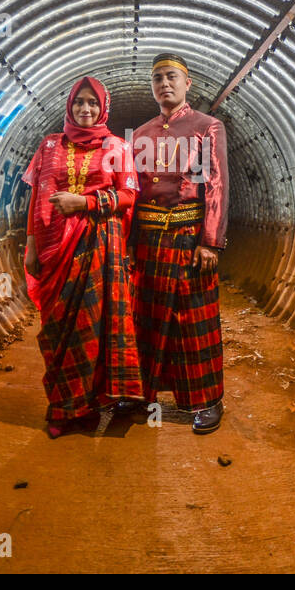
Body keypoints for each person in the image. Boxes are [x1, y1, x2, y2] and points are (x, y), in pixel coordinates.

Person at [22, 76, 145, 438]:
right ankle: (63, 406)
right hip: (52, 246)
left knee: (92, 326)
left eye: (93, 103)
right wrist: (31, 246)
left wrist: (87, 203)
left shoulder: (116, 147)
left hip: (98, 247)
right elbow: (35, 200)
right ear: (69, 106)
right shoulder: (48, 146)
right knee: (57, 327)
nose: (86, 109)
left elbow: (129, 196)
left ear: (103, 108)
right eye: (80, 103)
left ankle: (88, 406)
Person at [128, 52, 229, 434]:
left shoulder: (208, 127)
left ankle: (206, 401)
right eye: (158, 79)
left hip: (189, 240)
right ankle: (141, 393)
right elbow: (131, 192)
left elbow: (217, 184)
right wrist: (126, 245)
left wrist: (210, 241)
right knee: (147, 320)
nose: (164, 84)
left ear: (188, 84)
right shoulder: (140, 135)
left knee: (193, 319)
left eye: (172, 77)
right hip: (149, 239)